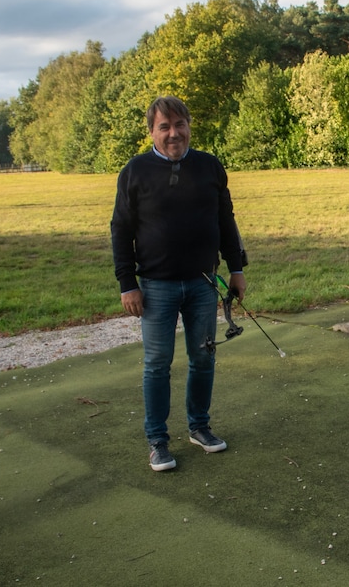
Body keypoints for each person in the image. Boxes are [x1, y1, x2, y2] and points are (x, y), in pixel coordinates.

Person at [111, 95, 247, 472]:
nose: (174, 134)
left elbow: (226, 220)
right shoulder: (135, 172)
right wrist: (127, 283)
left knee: (203, 358)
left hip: (203, 283)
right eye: (164, 127)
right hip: (155, 287)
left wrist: (236, 268)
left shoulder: (209, 167)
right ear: (152, 131)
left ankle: (199, 427)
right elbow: (120, 230)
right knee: (157, 363)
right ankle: (157, 441)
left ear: (189, 126)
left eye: (179, 125)